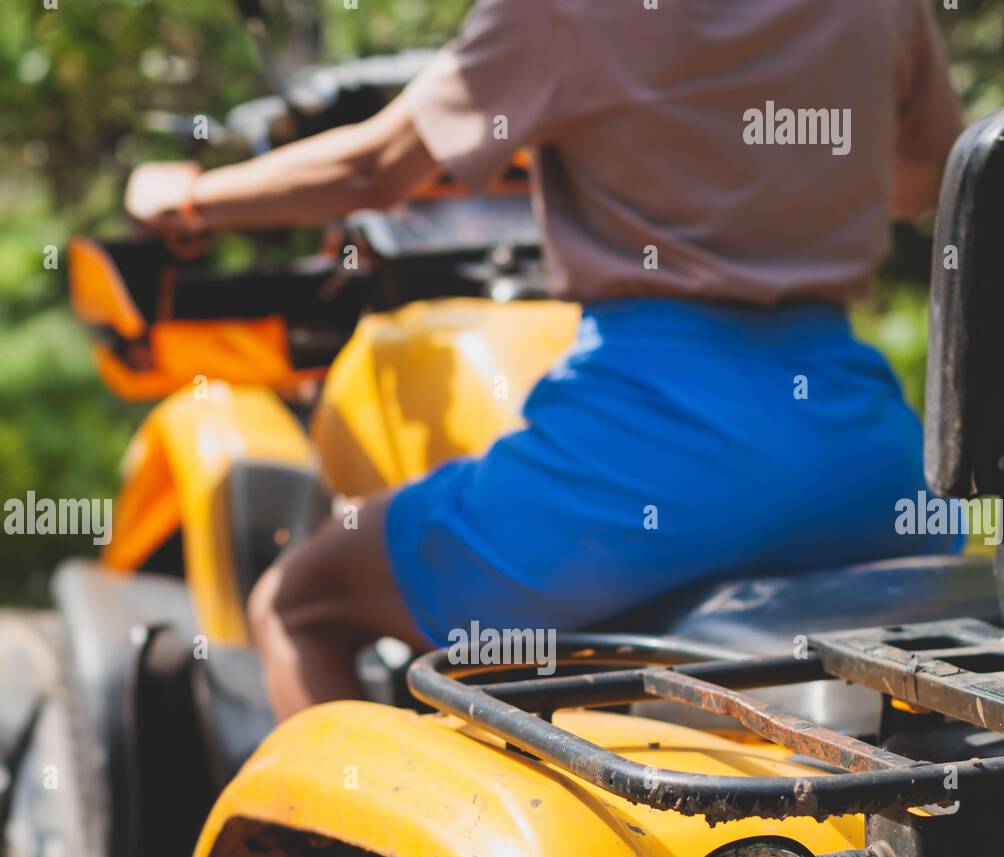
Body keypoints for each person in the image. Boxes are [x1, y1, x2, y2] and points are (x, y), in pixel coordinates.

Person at [126, 0, 963, 720]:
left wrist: (191, 195)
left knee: (299, 599)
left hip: (648, 456)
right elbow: (919, 181)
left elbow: (372, 168)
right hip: (867, 459)